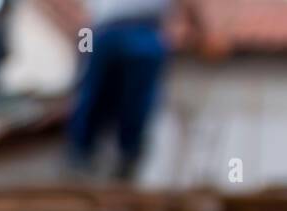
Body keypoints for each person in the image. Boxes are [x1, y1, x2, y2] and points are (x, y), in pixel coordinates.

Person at [67, 0, 208, 181]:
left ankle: (106, 156)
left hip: (120, 31)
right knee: (114, 97)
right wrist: (202, 32)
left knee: (117, 97)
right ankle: (95, 154)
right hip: (120, 32)